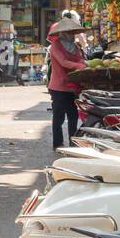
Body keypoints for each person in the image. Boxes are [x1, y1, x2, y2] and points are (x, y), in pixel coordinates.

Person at [47, 12, 85, 149]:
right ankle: (57, 143)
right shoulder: (55, 46)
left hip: (73, 87)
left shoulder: (75, 47)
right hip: (58, 87)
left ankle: (73, 143)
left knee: (73, 116)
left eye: (72, 33)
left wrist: (83, 63)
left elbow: (80, 58)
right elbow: (63, 62)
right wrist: (79, 65)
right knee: (58, 117)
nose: (71, 35)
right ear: (62, 33)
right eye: (68, 33)